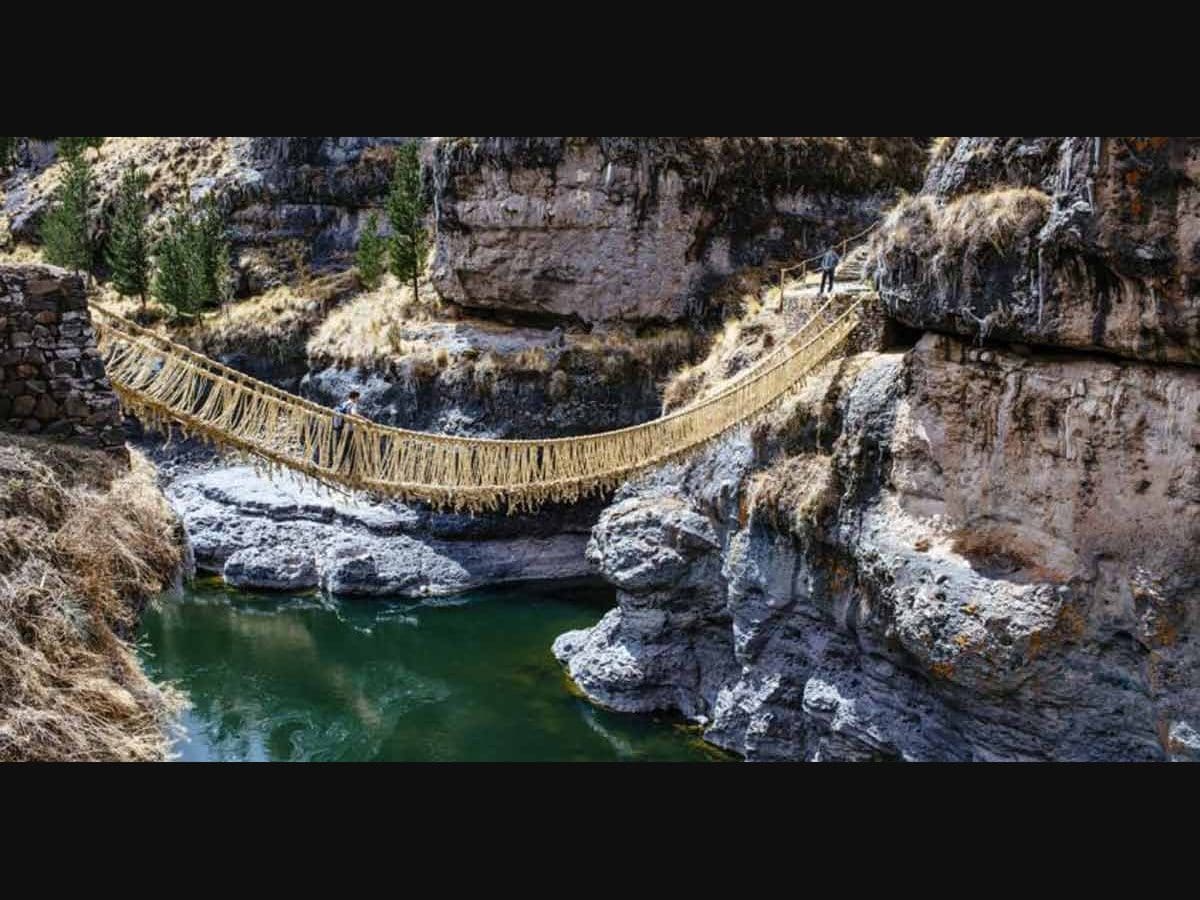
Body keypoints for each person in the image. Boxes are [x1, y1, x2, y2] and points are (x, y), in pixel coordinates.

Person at [331, 390, 361, 471]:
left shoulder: (344, 403)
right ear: (356, 397)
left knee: (340, 447)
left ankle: (336, 466)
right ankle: (349, 470)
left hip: (340, 428)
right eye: (358, 398)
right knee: (350, 450)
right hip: (348, 430)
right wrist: (364, 420)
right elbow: (353, 414)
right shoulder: (353, 404)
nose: (358, 400)